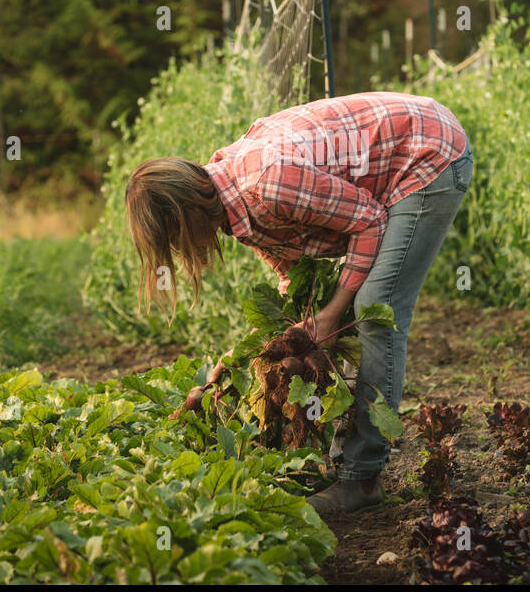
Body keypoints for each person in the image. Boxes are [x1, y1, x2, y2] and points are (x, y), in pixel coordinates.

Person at [124, 90, 474, 515]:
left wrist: (329, 317)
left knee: (374, 309)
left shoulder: (266, 184)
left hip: (426, 155)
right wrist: (233, 364)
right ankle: (345, 462)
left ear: (186, 214)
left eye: (175, 240)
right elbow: (294, 287)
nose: (181, 252)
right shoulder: (238, 211)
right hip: (394, 163)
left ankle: (361, 478)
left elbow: (368, 221)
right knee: (345, 308)